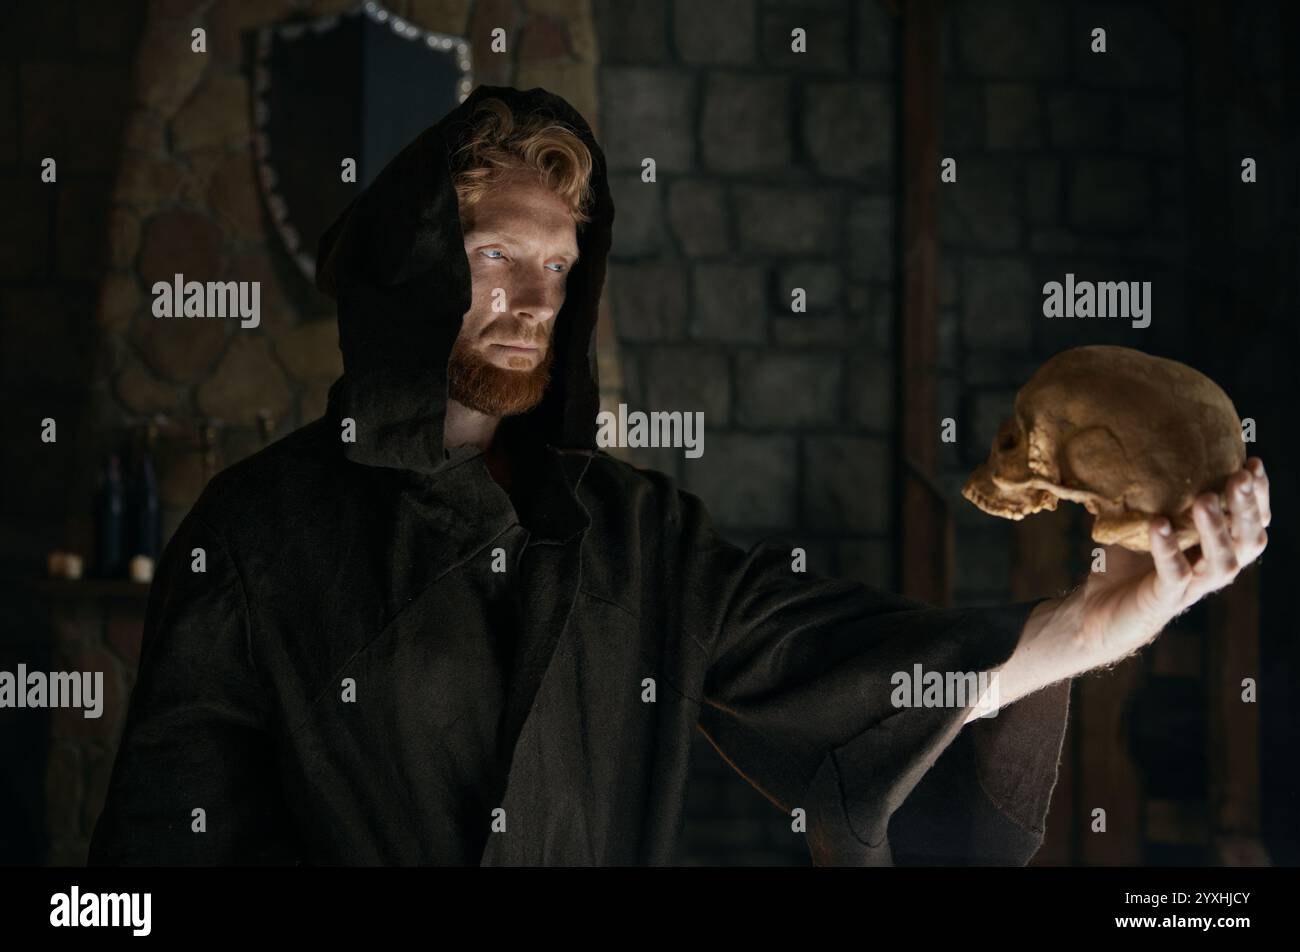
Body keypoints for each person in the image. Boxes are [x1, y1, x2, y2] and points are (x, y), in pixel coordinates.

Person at [88, 85, 1270, 866]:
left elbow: (872, 669)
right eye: (498, 253)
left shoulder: (637, 537)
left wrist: (1121, 607)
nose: (537, 301)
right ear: (420, 262)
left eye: (558, 262)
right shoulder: (255, 531)